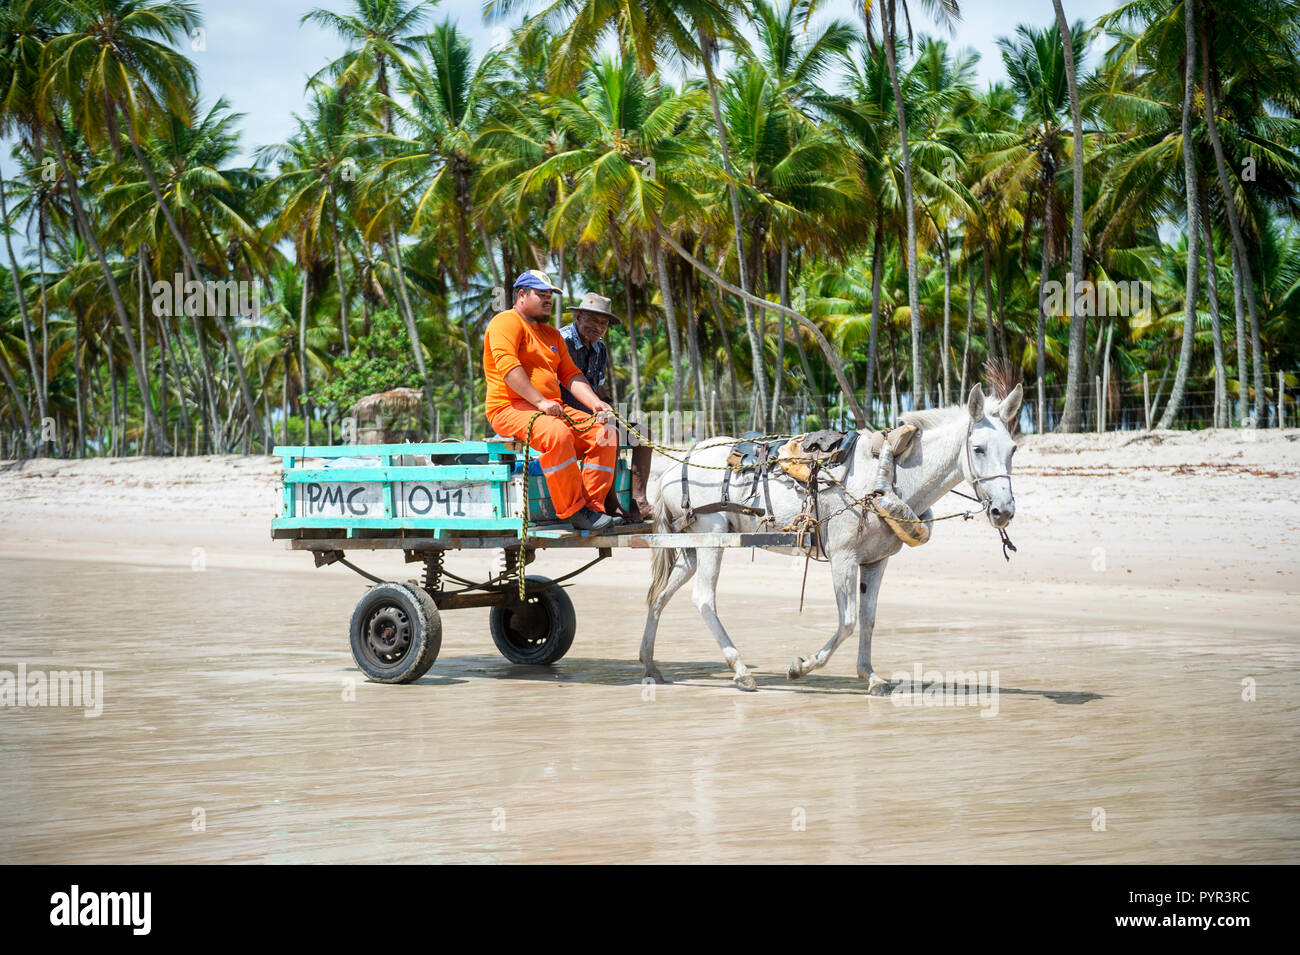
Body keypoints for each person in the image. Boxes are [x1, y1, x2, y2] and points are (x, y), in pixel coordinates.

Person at [483, 270, 618, 532]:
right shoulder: (505, 322)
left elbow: (571, 375)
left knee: (606, 433)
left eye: (550, 296)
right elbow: (509, 369)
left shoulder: (552, 335)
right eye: (541, 295)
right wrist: (541, 402)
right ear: (521, 295)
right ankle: (573, 509)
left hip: (550, 409)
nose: (548, 300)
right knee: (557, 434)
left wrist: (595, 403)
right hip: (509, 408)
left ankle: (592, 508)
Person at [560, 292, 652, 521]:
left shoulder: (599, 349)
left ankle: (639, 501)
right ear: (579, 316)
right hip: (565, 416)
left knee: (643, 434)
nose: (599, 327)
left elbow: (598, 388)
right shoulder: (562, 341)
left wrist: (610, 406)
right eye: (593, 320)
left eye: (604, 323)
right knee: (610, 431)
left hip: (593, 416)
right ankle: (610, 502)